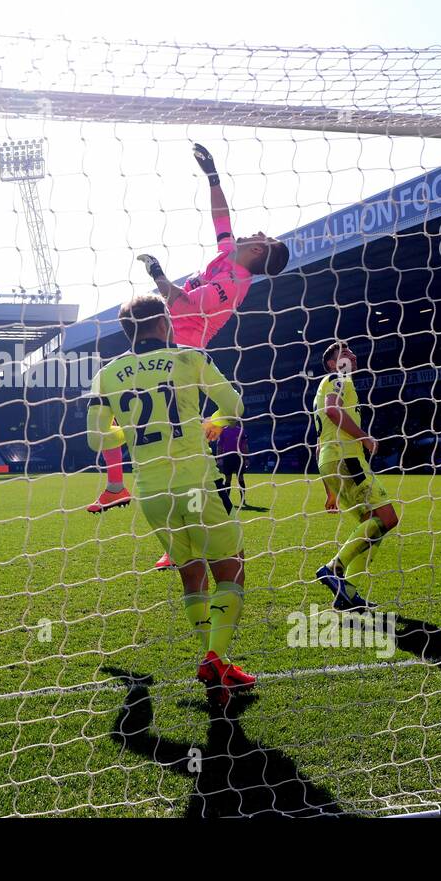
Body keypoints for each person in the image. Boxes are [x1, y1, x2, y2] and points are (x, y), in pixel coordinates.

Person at [88, 141, 289, 521]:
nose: (258, 231)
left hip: (184, 349)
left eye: (264, 236)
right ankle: (117, 486)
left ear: (260, 252)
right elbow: (221, 219)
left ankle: (195, 510)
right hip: (163, 342)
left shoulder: (233, 282)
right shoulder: (227, 257)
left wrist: (158, 275)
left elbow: (181, 305)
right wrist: (212, 176)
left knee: (177, 442)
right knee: (121, 410)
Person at [88, 294, 254, 705]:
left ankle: (218, 661)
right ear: (163, 322)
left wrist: (129, 430)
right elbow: (234, 405)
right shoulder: (189, 358)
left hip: (152, 493)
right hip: (198, 483)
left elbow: (96, 440)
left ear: (128, 331)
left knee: (191, 574)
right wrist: (213, 423)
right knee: (232, 570)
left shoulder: (106, 374)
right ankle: (215, 656)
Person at [311, 341, 398, 611]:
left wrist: (329, 490)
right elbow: (333, 411)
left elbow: (318, 440)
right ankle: (332, 568)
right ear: (331, 363)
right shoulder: (338, 379)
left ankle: (346, 593)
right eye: (343, 353)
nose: (351, 355)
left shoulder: (327, 384)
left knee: (373, 527)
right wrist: (365, 438)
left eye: (350, 351)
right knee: (387, 518)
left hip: (331, 461)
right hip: (346, 458)